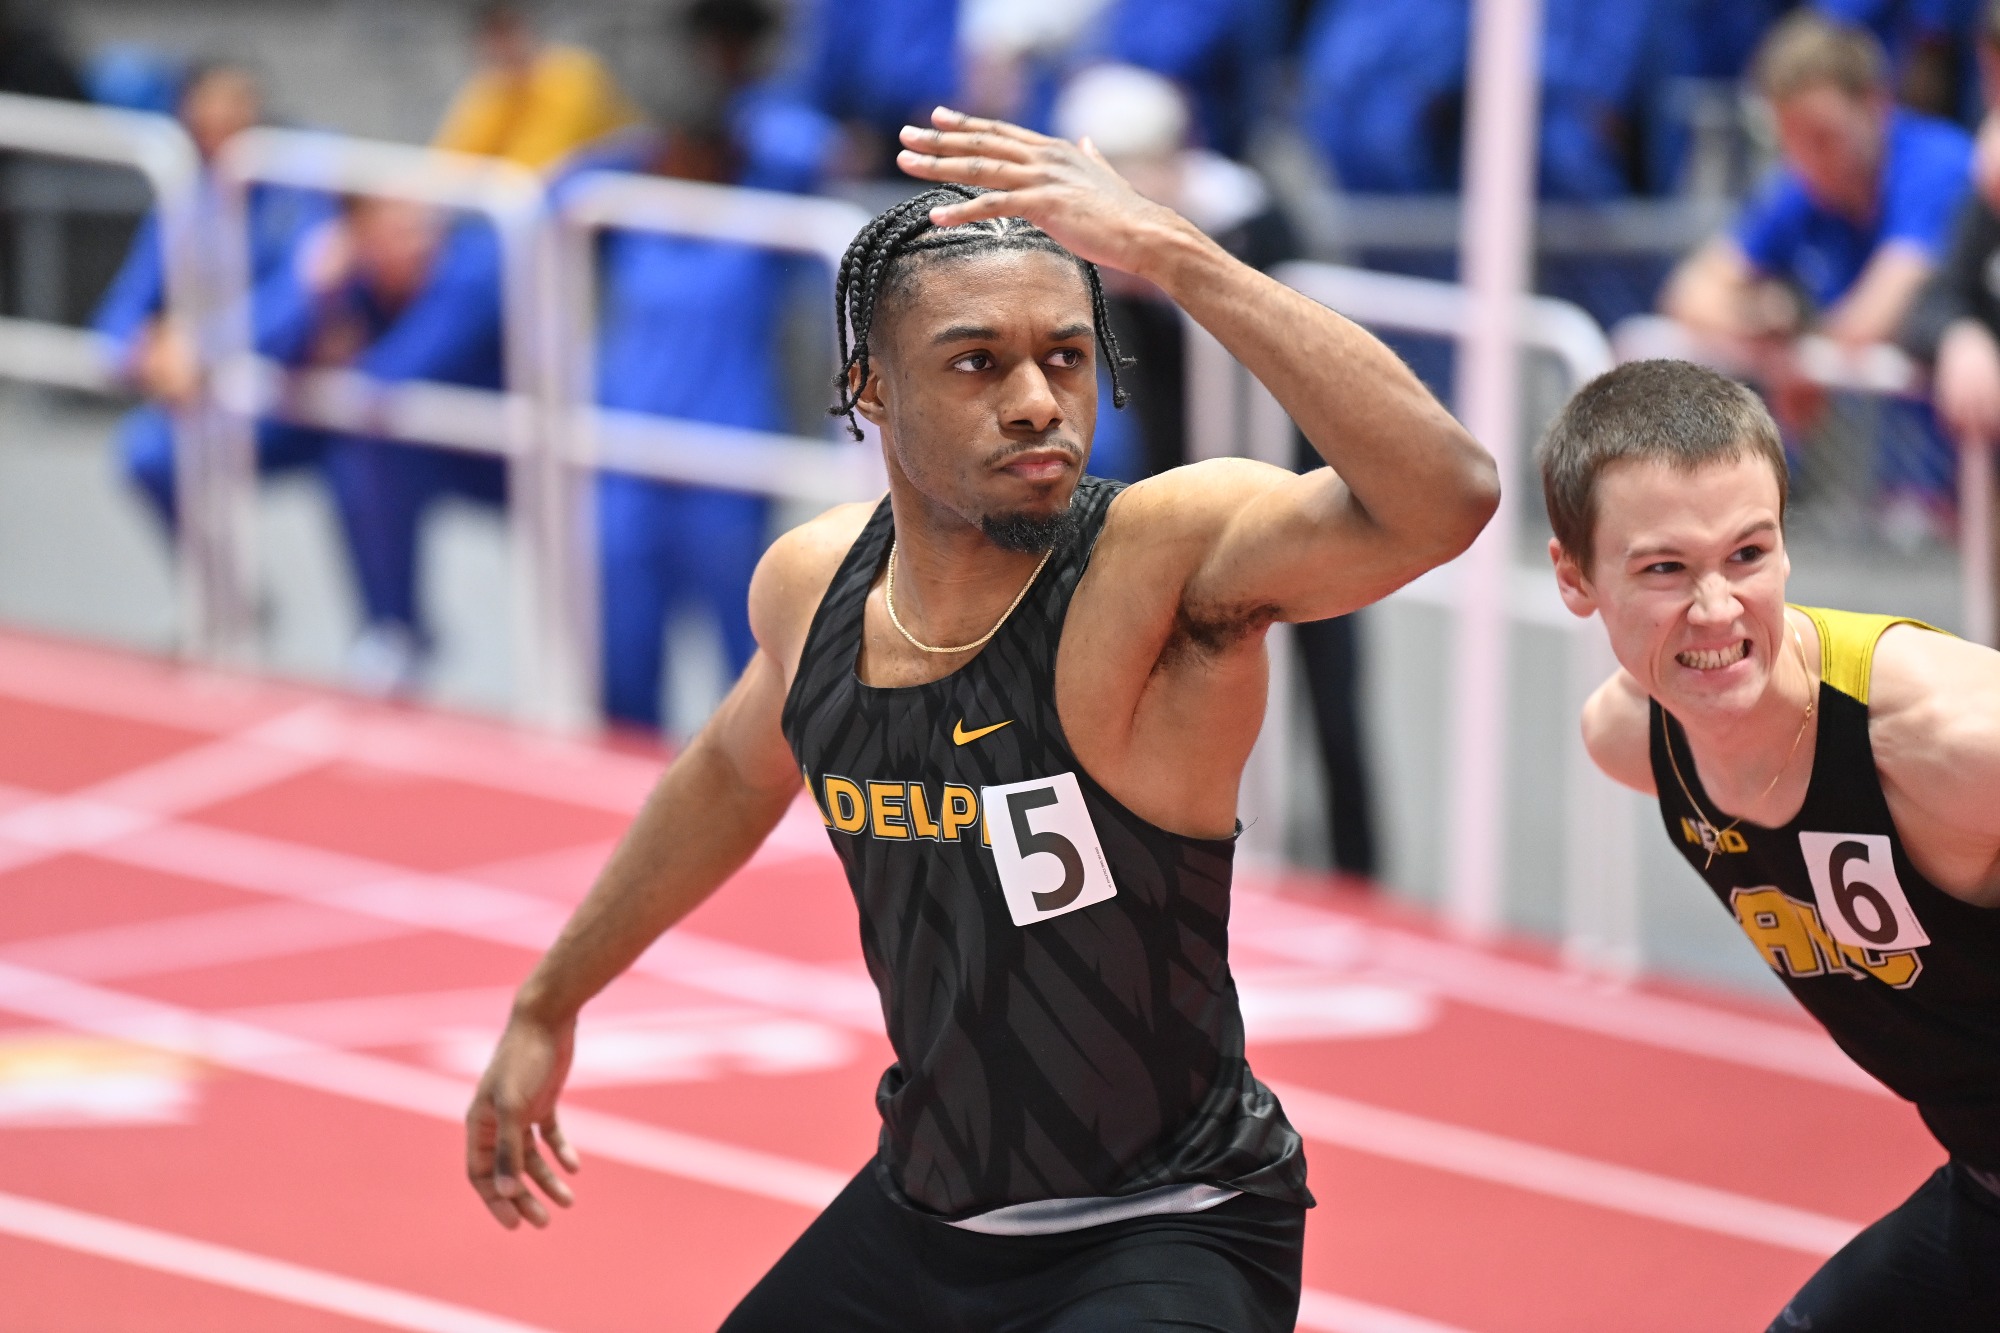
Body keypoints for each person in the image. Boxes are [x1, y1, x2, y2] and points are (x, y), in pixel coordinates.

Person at [464, 108, 1497, 1328]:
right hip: (928, 1211)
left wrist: (1169, 252)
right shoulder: (816, 590)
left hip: (1170, 1221)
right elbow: (731, 777)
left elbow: (1447, 497)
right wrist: (548, 1000)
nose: (1033, 401)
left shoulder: (1156, 567)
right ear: (869, 386)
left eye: (1064, 356)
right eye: (975, 361)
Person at [1541, 358, 2000, 1332]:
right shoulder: (1634, 742)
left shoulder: (1948, 740)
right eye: (1664, 568)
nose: (1713, 611)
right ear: (1573, 578)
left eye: (1746, 554)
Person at [582, 0, 828, 733]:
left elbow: (814, 149)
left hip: (726, 461)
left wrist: (743, 112)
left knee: (745, 660)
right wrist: (635, 154)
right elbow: (554, 190)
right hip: (625, 462)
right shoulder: (631, 210)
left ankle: (747, 805)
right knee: (622, 657)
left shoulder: (760, 213)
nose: (689, 158)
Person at [90, 61, 332, 533]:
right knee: (145, 453)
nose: (226, 115)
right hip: (207, 395)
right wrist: (146, 351)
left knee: (370, 459)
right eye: (213, 103)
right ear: (188, 111)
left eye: (239, 102)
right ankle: (229, 599)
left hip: (301, 391)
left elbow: (305, 298)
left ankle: (391, 611)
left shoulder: (299, 187)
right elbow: (118, 314)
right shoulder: (183, 200)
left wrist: (202, 346)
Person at [431, 3, 639, 172]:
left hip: (613, 173)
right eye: (495, 39)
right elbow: (454, 157)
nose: (504, 48)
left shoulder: (571, 76)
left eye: (509, 34)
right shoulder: (490, 89)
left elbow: (537, 163)